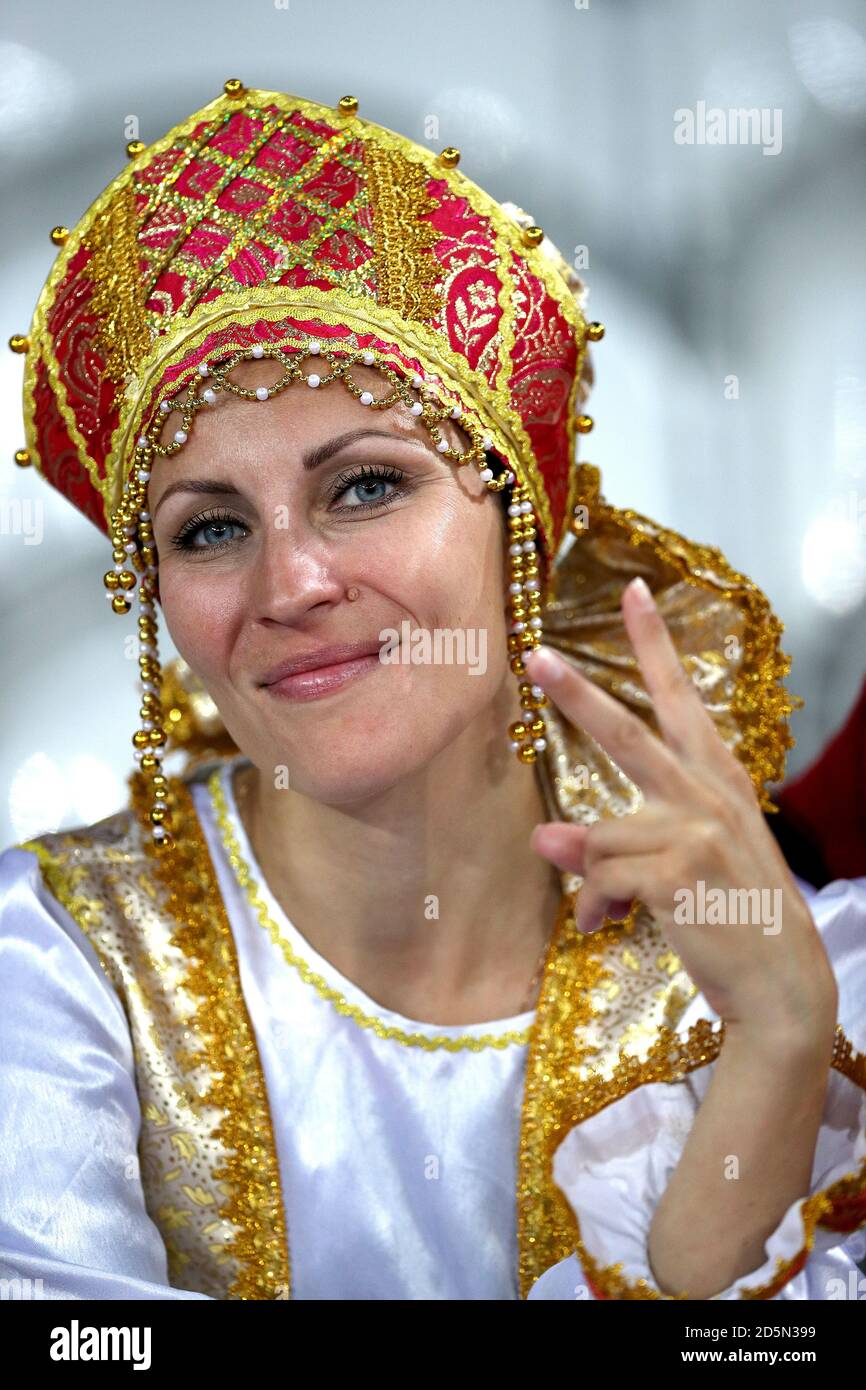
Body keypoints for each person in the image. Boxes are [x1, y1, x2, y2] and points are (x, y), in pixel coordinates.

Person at [1, 80, 864, 1302]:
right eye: (207, 530)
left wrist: (778, 1045)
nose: (290, 582)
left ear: (523, 513)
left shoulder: (814, 972)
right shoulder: (48, 965)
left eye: (364, 487)